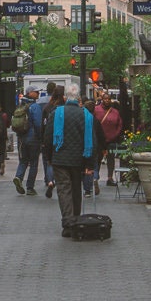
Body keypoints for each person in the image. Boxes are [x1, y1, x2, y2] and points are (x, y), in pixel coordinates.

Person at [45, 85, 99, 236]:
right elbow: (92, 141)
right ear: (79, 98)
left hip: (60, 159)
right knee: (76, 189)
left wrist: (48, 157)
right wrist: (89, 164)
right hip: (79, 159)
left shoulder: (56, 113)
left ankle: (68, 222)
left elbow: (48, 138)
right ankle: (75, 221)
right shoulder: (86, 115)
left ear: (65, 98)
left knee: (64, 190)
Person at [12, 90, 45, 196]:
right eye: (36, 91)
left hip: (21, 138)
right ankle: (30, 187)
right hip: (33, 138)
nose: (38, 93)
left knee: (23, 161)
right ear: (31, 93)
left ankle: (19, 177)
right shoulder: (35, 107)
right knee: (34, 163)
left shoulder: (20, 106)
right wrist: (40, 137)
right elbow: (38, 124)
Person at [97, 97, 126, 186]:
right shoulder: (96, 110)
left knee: (111, 159)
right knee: (97, 159)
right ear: (102, 99)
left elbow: (119, 125)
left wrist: (114, 135)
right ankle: (95, 178)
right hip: (98, 140)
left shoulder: (115, 112)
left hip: (111, 139)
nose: (107, 100)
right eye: (105, 99)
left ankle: (110, 178)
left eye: (108, 99)